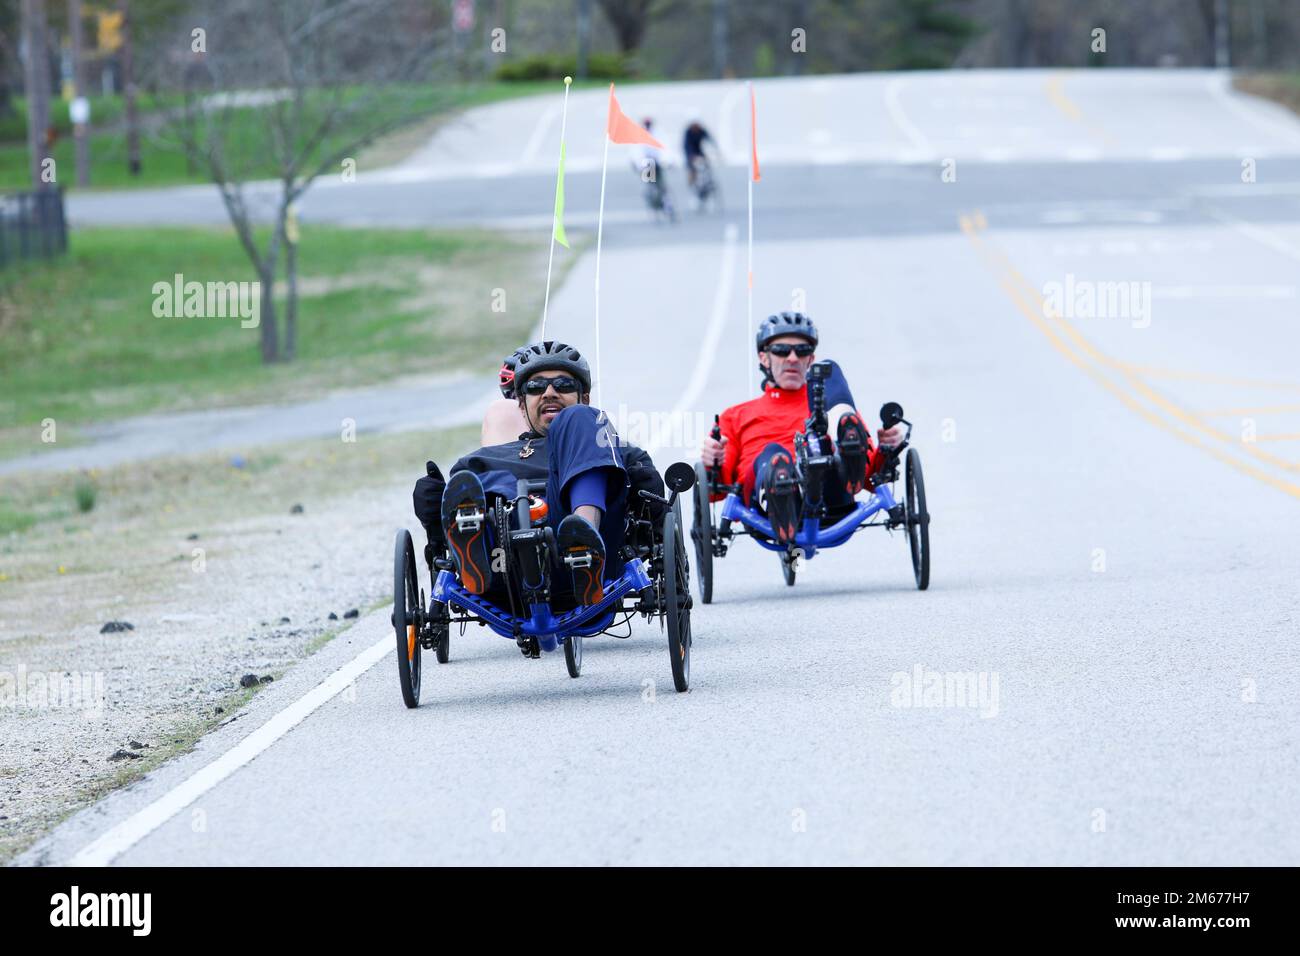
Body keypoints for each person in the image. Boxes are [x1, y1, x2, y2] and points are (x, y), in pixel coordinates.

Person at [413, 341, 663, 607]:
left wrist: (641, 480)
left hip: (580, 562)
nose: (549, 392)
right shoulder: (489, 456)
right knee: (472, 480)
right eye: (536, 387)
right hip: (504, 568)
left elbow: (655, 509)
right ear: (521, 405)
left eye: (563, 385)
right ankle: (472, 551)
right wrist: (433, 510)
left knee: (580, 419)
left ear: (585, 397)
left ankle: (583, 540)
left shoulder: (605, 443)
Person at [699, 311, 905, 545]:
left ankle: (847, 447)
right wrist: (711, 461)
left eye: (803, 351)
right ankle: (782, 488)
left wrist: (887, 448)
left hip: (832, 493)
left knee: (831, 375)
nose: (793, 358)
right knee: (774, 455)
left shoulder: (830, 405)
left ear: (810, 360)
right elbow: (715, 490)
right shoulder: (735, 415)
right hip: (766, 498)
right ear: (764, 358)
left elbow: (868, 479)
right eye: (781, 350)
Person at [682, 121, 714, 190]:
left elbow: (709, 138)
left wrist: (714, 147)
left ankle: (707, 180)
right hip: (691, 152)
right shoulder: (688, 133)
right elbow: (687, 146)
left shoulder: (701, 131)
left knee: (706, 163)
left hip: (699, 150)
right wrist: (691, 155)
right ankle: (691, 183)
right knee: (692, 167)